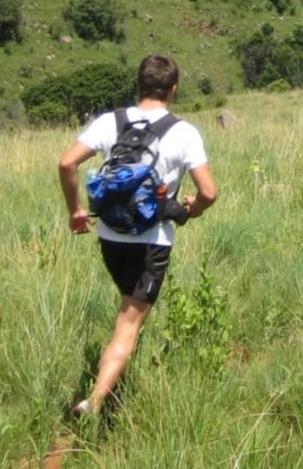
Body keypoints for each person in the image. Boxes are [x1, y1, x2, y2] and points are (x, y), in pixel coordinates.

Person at [58, 53, 218, 417]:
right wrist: (193, 208)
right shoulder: (183, 132)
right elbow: (209, 192)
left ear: (138, 85)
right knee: (128, 325)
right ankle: (95, 403)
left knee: (127, 312)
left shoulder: (109, 122)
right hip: (151, 242)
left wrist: (75, 210)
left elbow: (66, 163)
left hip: (110, 236)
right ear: (173, 90)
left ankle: (110, 386)